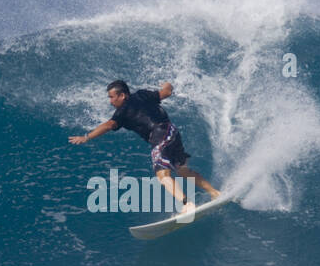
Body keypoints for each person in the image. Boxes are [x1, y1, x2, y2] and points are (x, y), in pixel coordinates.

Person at [69, 79, 220, 213]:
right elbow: (166, 92)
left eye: (112, 97)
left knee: (162, 175)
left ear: (122, 95)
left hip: (160, 135)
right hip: (172, 131)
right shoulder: (141, 94)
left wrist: (86, 137)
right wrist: (168, 84)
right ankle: (214, 193)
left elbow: (109, 125)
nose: (110, 102)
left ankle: (187, 204)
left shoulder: (122, 112)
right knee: (181, 169)